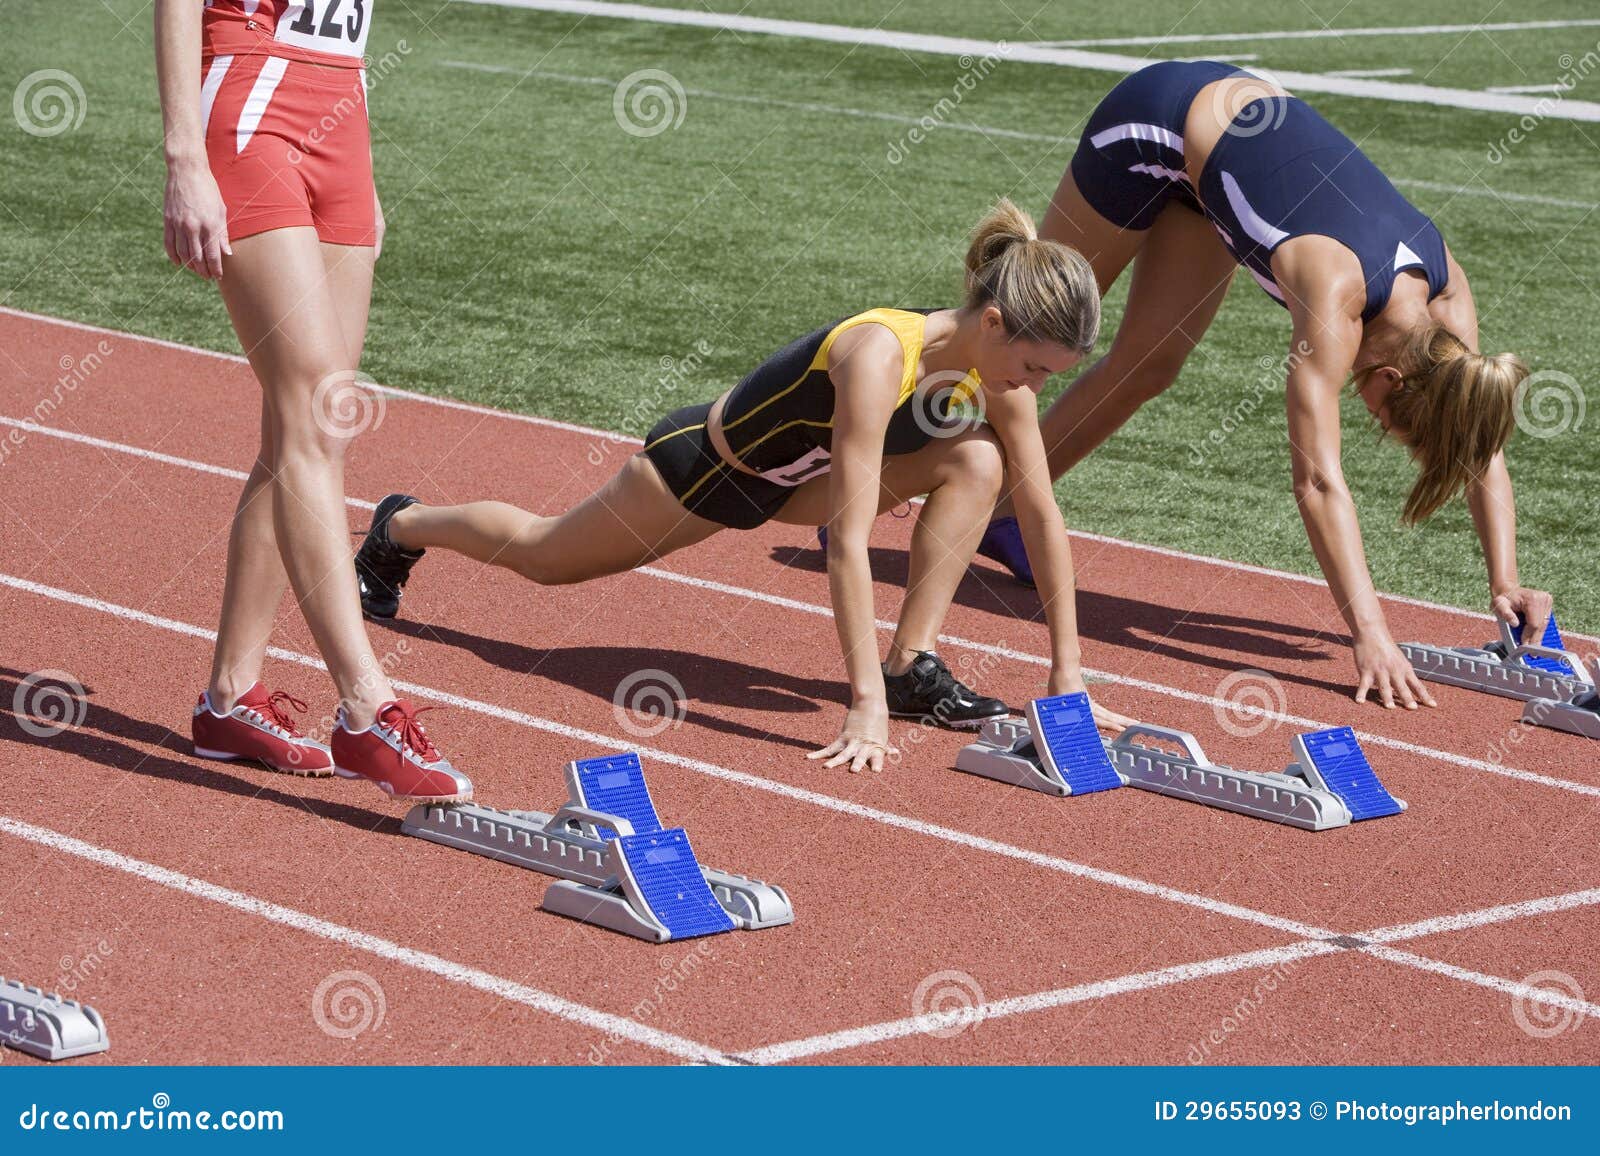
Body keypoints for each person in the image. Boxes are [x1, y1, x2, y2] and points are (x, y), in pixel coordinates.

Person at [354, 202, 1131, 772]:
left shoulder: (1003, 383)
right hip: (709, 474)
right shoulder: (879, 357)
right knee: (545, 555)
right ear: (993, 322)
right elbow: (849, 546)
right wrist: (855, 706)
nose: (1029, 387)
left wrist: (1067, 677)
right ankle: (402, 526)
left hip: (802, 485)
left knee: (982, 462)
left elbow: (1041, 514)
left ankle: (909, 668)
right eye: (1032, 367)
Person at [973, 61, 1549, 711]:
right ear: (1388, 380)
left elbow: (1477, 432)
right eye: (1386, 422)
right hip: (1157, 123)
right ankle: (892, 461)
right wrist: (1371, 634)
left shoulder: (1445, 297)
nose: (1374, 426)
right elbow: (1317, 481)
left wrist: (1506, 581)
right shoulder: (1336, 297)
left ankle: (996, 505)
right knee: (1030, 331)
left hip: (1219, 156)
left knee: (1149, 366)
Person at [157, 0, 471, 801]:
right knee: (312, 415)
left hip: (342, 109)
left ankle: (229, 696)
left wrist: (360, 174)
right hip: (249, 103)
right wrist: (183, 157)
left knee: (306, 423)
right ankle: (366, 705)